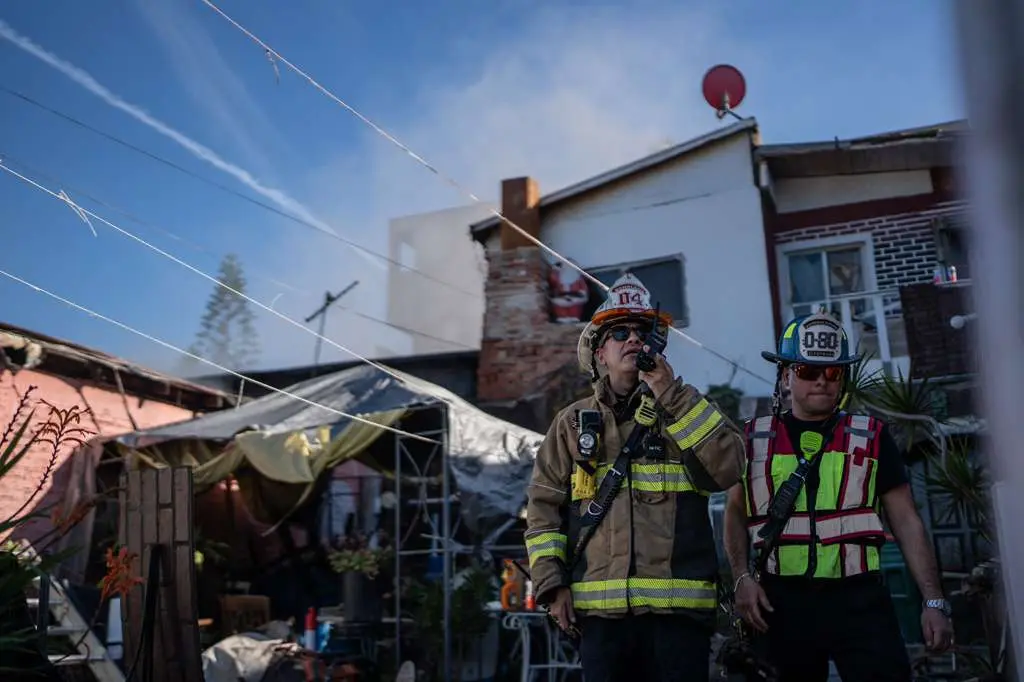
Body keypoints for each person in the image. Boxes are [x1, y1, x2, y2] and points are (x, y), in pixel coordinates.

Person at [524, 273, 746, 682]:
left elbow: (730, 467)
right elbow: (542, 513)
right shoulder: (570, 424)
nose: (633, 339)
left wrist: (671, 394)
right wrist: (552, 587)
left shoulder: (685, 407)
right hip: (601, 621)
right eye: (620, 332)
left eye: (642, 332)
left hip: (678, 621)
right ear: (599, 353)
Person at [722, 310, 955, 682]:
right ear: (785, 375)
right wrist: (740, 579)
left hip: (860, 600)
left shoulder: (872, 436)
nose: (822, 381)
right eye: (807, 371)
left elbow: (908, 521)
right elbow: (733, 512)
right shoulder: (752, 440)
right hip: (781, 602)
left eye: (832, 372)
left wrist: (933, 600)